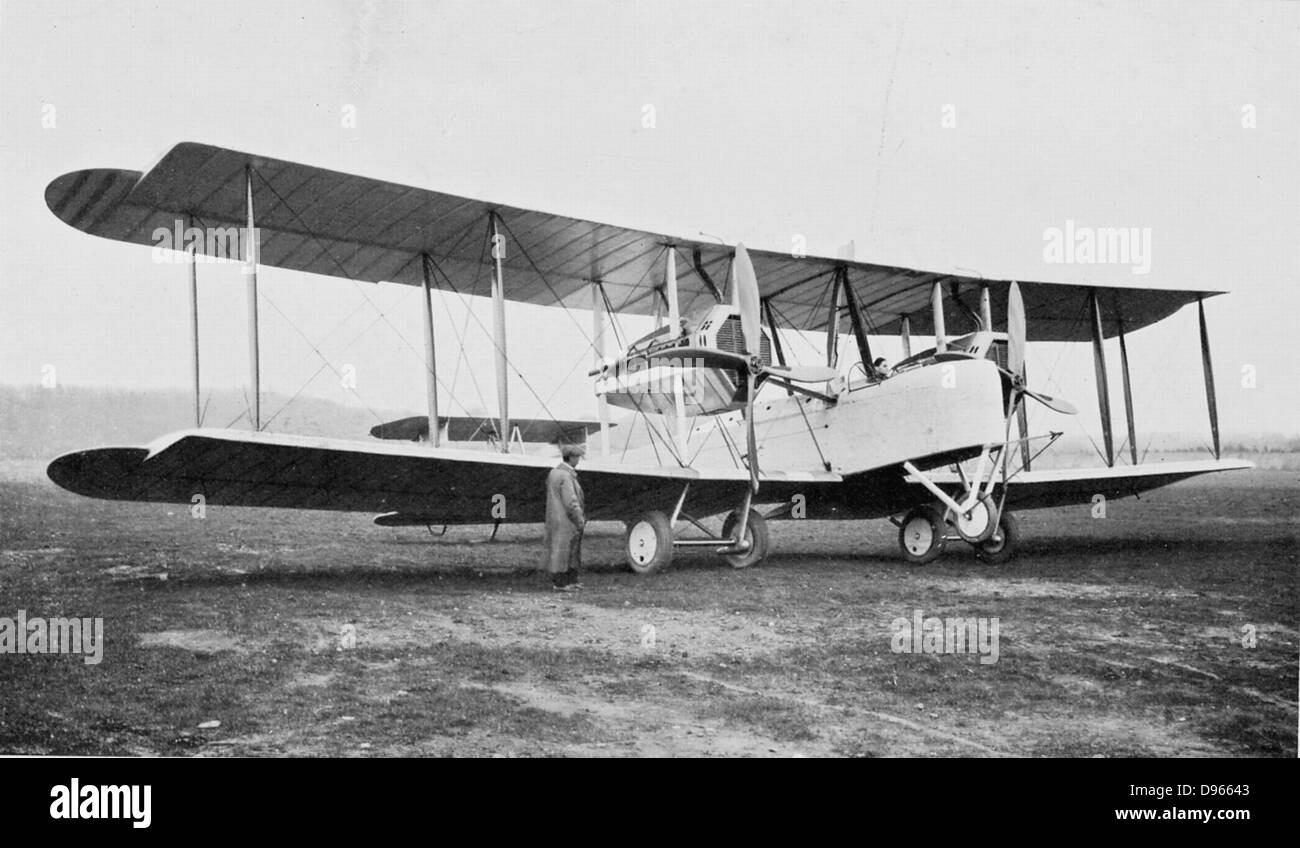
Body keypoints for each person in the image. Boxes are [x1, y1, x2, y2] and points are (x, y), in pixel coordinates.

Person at [543, 442, 586, 591]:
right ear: (571, 458)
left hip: (555, 518)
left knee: (559, 551)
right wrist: (580, 520)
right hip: (567, 521)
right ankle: (563, 583)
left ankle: (565, 581)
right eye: (577, 457)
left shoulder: (554, 473)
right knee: (568, 551)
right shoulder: (566, 476)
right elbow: (571, 502)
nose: (579, 460)